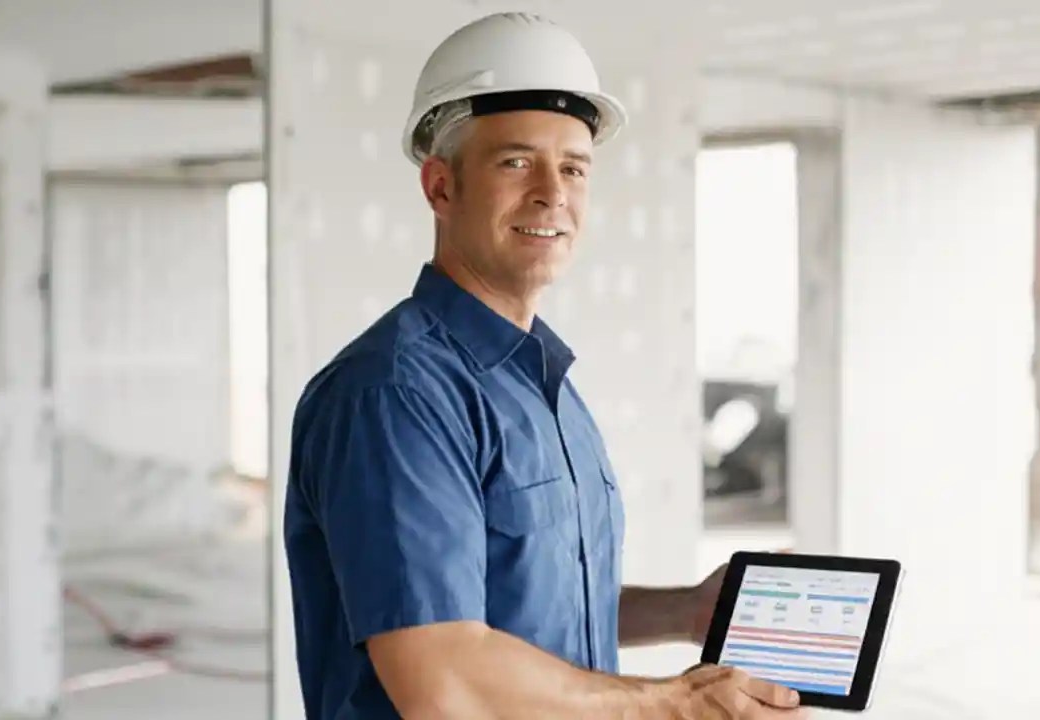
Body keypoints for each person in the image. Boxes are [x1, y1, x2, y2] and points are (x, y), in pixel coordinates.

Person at [284, 12, 806, 719]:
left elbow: (531, 611)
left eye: (573, 168)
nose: (552, 192)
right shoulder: (394, 393)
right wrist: (676, 703)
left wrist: (686, 610)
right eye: (516, 162)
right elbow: (443, 677)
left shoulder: (541, 385)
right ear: (441, 187)